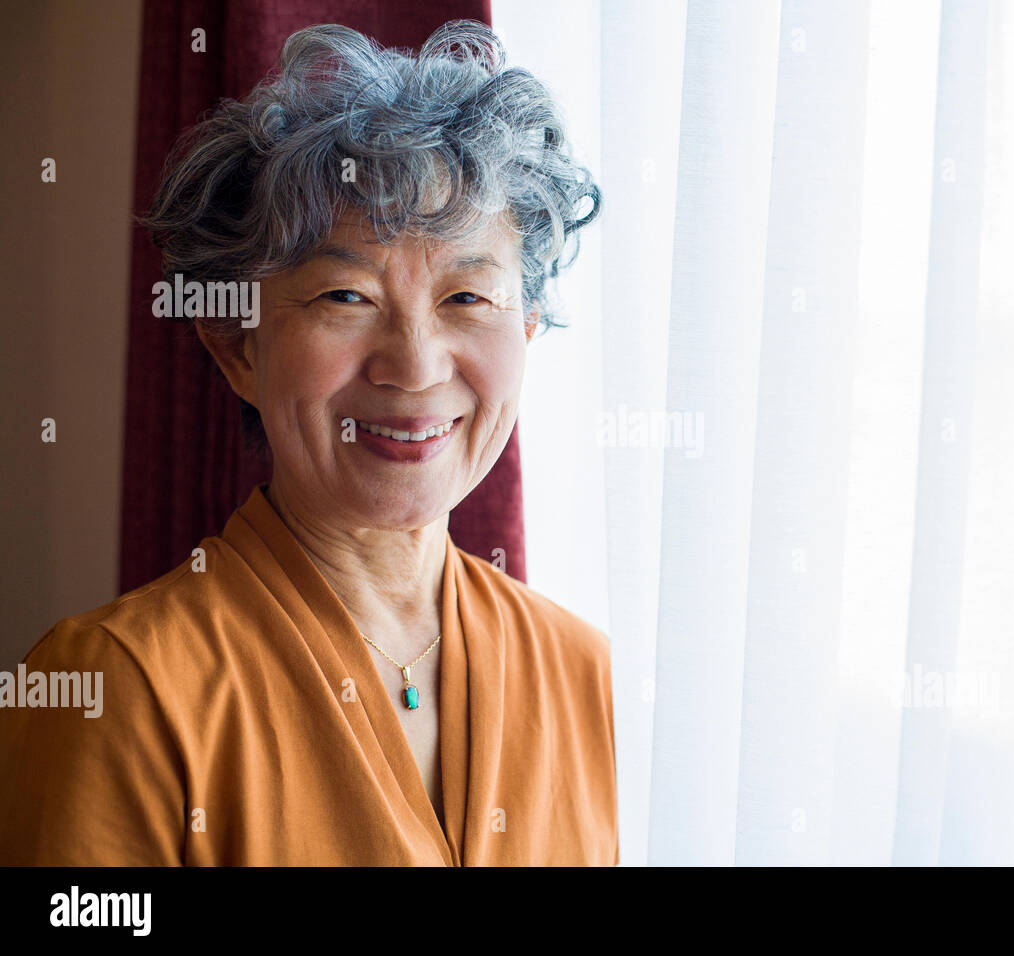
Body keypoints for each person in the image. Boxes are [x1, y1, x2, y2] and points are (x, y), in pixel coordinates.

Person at [0, 19, 616, 866]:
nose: (414, 365)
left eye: (468, 296)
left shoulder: (578, 668)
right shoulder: (116, 687)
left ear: (531, 328)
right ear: (238, 347)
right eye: (344, 296)